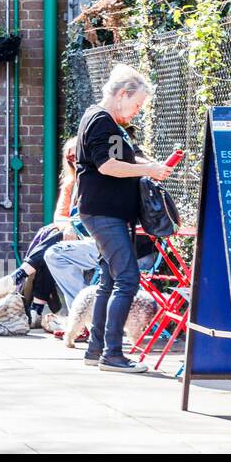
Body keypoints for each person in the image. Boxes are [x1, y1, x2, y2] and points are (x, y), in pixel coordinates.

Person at [73, 63, 172, 373]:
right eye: (137, 104)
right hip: (104, 213)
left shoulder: (109, 123)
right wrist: (148, 170)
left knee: (110, 281)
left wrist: (152, 164)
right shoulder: (101, 121)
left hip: (109, 212)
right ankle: (113, 354)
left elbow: (124, 157)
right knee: (128, 278)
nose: (138, 111)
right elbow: (107, 165)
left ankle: (96, 349)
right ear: (123, 94)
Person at [0, 138, 78, 325]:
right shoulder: (71, 183)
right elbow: (60, 215)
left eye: (77, 155)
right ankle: (35, 309)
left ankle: (20, 278)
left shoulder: (96, 181)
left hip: (89, 237)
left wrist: (72, 227)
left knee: (54, 241)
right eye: (70, 157)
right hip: (71, 235)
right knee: (53, 245)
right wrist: (68, 226)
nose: (74, 160)